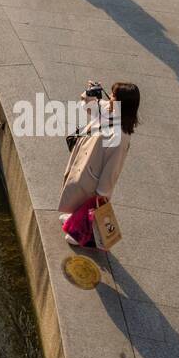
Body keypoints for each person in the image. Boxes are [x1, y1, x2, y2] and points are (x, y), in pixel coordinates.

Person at [59, 82, 140, 246]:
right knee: (77, 194)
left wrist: (104, 190)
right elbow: (87, 105)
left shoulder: (122, 137)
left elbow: (113, 167)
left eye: (114, 96)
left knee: (89, 202)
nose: (110, 98)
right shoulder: (109, 110)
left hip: (94, 172)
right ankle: (74, 219)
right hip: (85, 160)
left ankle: (81, 232)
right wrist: (90, 92)